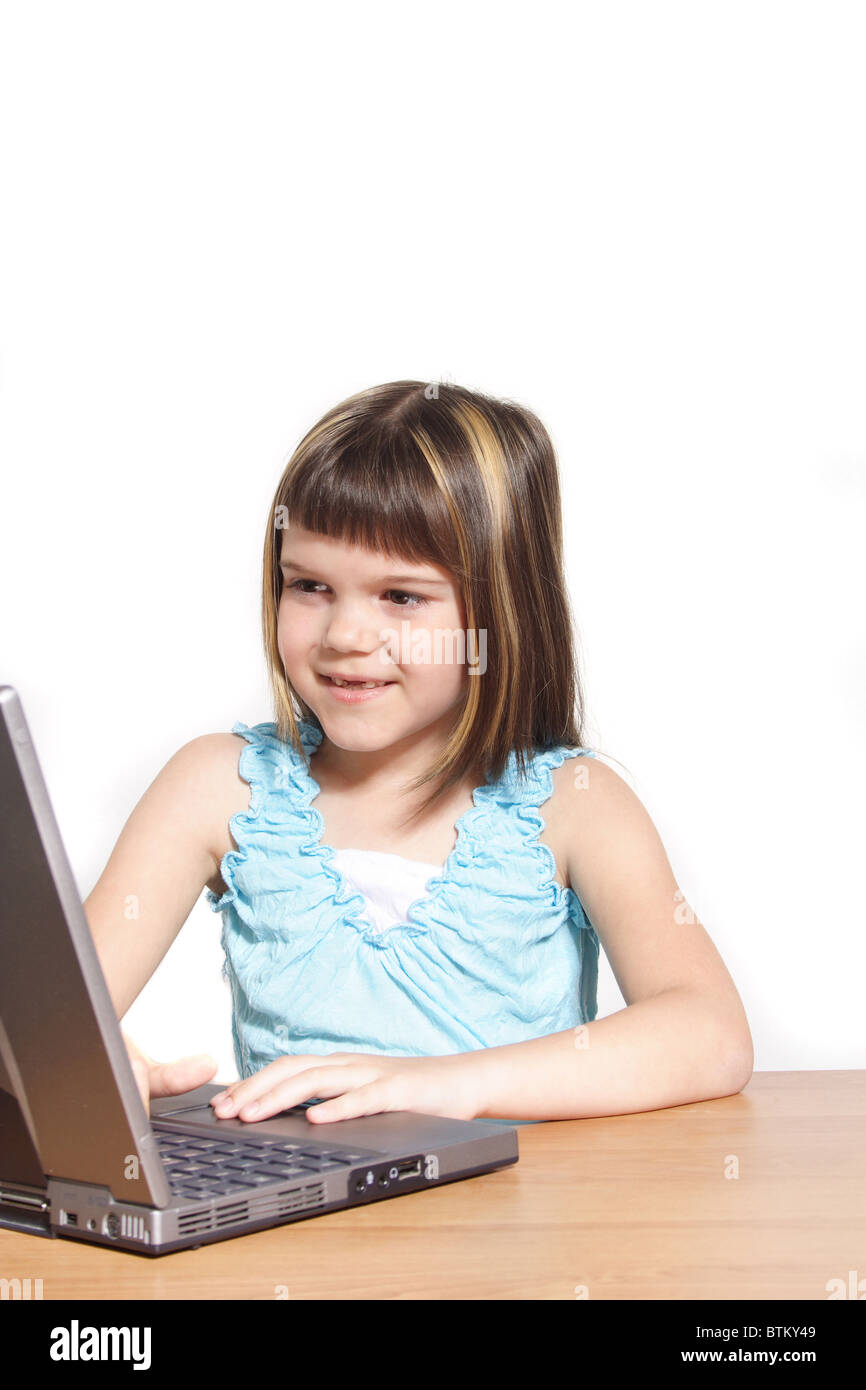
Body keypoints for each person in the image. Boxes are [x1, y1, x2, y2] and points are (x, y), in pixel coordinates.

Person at [85, 379, 753, 1127]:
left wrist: (442, 1084)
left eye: (401, 597)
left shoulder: (575, 805)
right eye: (309, 584)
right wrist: (90, 1062)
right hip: (303, 1230)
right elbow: (47, 1024)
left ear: (500, 610)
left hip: (516, 1233)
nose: (344, 635)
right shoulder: (219, 787)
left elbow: (711, 1034)